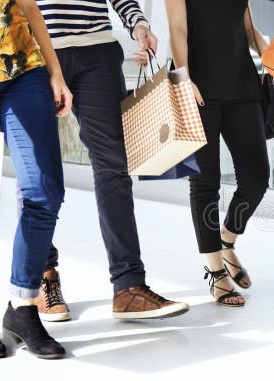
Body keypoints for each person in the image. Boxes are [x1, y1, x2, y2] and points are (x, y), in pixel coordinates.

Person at [29, 0, 189, 322]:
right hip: (37, 50)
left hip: (97, 50)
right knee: (37, 169)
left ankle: (128, 287)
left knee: (114, 168)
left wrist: (138, 23)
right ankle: (41, 277)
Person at [0, 0, 72, 359]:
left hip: (24, 70)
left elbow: (30, 8)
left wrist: (56, 72)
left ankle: (23, 306)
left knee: (45, 188)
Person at [164, 0, 270, 307]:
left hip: (243, 85)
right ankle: (214, 269)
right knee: (205, 183)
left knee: (256, 179)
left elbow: (249, 29)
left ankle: (227, 239)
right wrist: (183, 77)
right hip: (198, 87)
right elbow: (177, 28)